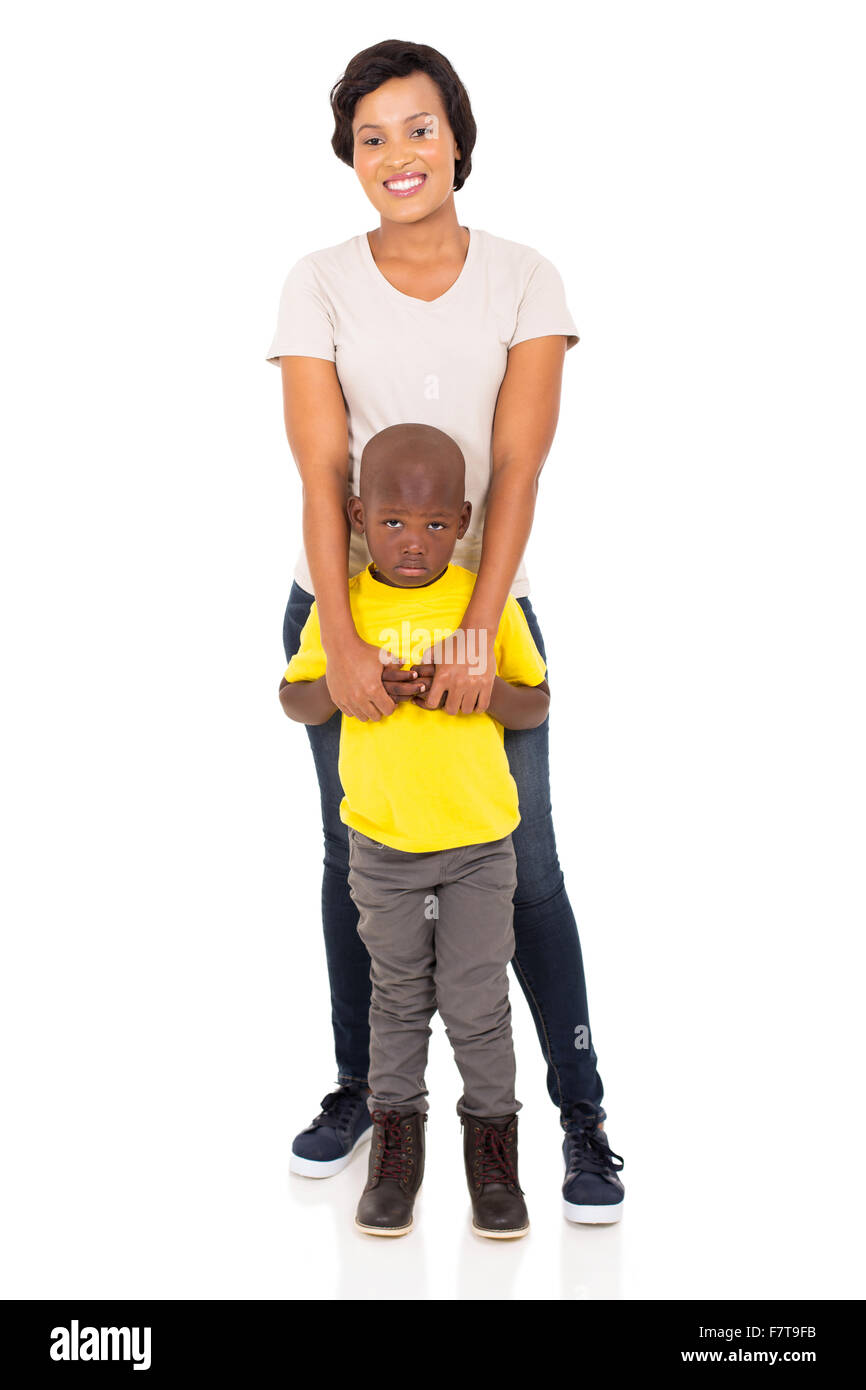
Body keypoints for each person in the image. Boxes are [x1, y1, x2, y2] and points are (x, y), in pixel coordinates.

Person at [267, 38, 625, 1223]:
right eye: (371, 137)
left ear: (455, 136)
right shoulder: (317, 280)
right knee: (354, 858)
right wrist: (344, 639)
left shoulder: (523, 275)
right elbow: (323, 475)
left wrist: (478, 630)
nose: (396, 155)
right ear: (350, 159)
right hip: (347, 614)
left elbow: (517, 464)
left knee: (519, 866)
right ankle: (366, 1096)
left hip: (485, 606)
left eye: (416, 128)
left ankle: (576, 1114)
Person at [280, 424, 549, 1238]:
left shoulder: (482, 608)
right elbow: (293, 698)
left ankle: (493, 1157)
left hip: (477, 844)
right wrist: (343, 680)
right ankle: (397, 1152)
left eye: (436, 526)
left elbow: (535, 702)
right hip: (383, 846)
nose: (413, 543)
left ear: (465, 522)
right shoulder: (342, 609)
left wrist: (478, 690)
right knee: (395, 1001)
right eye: (394, 521)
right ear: (358, 516)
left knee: (476, 1003)